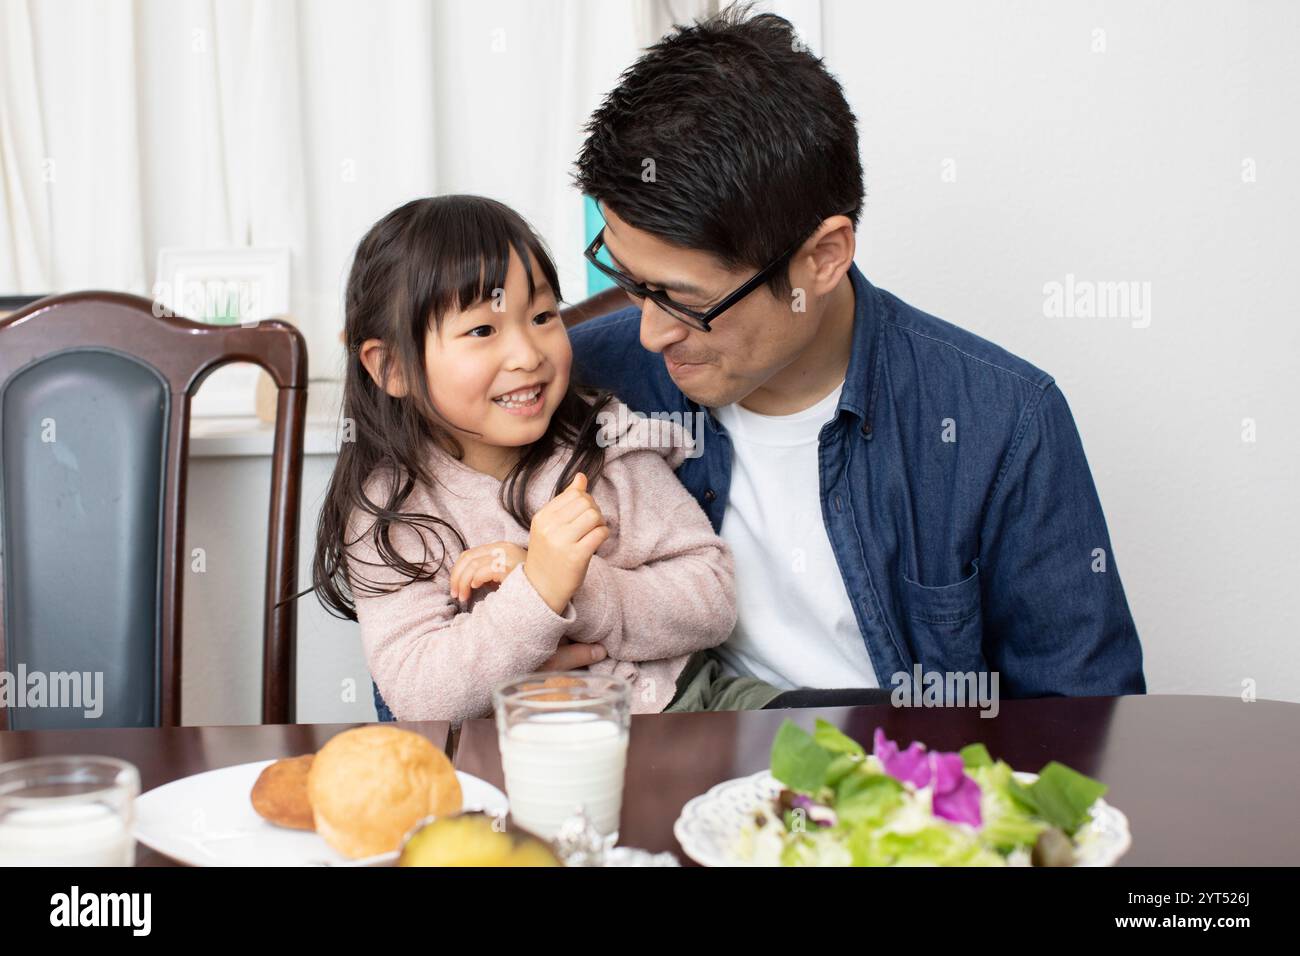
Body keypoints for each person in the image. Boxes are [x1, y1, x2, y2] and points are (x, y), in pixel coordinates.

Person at [568, 8, 1146, 699]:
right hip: (663, 781)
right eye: (630, 281)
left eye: (685, 299)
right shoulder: (580, 381)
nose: (650, 334)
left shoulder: (1003, 424)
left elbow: (1085, 723)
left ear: (823, 258)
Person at [309, 195, 840, 722]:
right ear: (392, 367)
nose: (528, 354)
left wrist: (580, 588)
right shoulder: (389, 510)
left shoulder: (605, 440)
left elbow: (711, 601)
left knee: (851, 740)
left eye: (542, 316)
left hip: (689, 705)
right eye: (482, 330)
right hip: (519, 750)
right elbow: (420, 696)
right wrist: (538, 589)